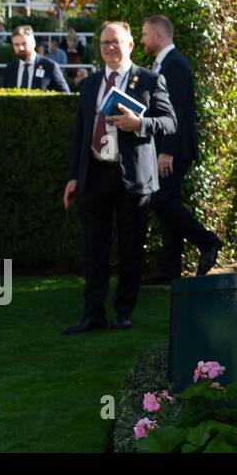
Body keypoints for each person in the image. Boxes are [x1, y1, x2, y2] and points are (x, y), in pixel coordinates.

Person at [62, 22, 176, 334]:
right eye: (104, 44)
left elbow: (169, 122)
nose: (110, 48)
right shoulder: (90, 83)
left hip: (133, 178)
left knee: (130, 250)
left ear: (129, 45)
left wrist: (138, 123)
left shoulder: (150, 79)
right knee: (93, 250)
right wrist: (74, 177)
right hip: (95, 175)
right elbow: (79, 134)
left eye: (116, 42)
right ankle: (92, 314)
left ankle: (123, 311)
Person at [139, 15, 221, 283]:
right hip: (167, 147)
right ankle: (169, 267)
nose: (142, 40)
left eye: (145, 34)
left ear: (159, 36)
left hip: (174, 149)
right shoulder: (165, 64)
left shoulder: (174, 65)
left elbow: (177, 111)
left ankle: (208, 241)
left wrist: (168, 151)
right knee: (166, 203)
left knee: (162, 201)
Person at [3, 25, 70, 92]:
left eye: (24, 43)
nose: (21, 48)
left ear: (33, 43)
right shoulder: (10, 68)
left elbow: (65, 94)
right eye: (16, 45)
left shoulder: (50, 67)